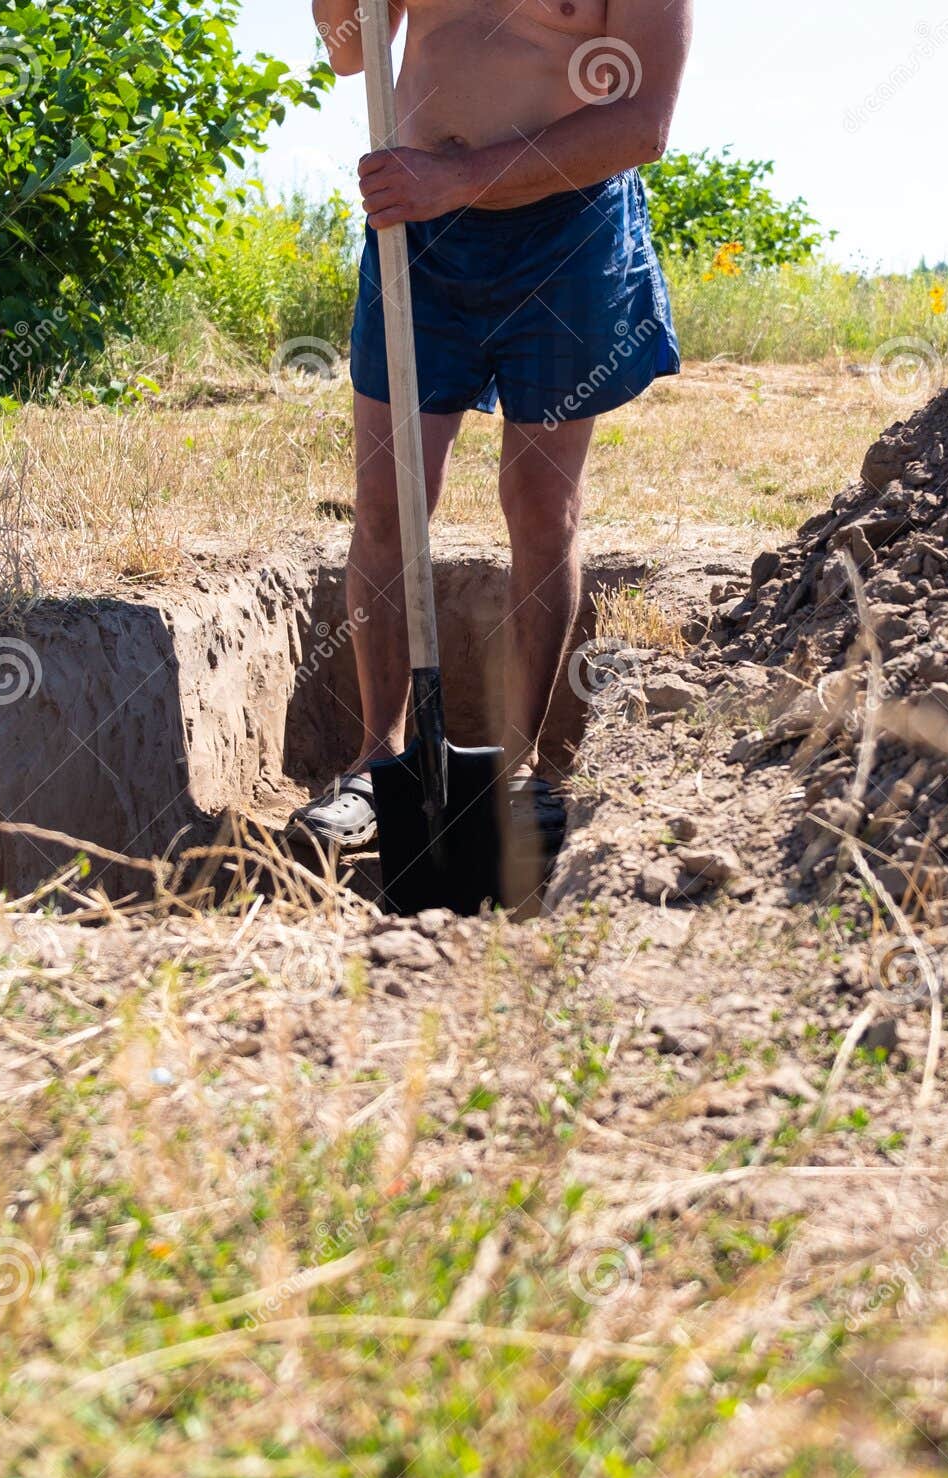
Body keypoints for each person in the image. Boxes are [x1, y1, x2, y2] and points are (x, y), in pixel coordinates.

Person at [295, 0, 693, 848]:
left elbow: (644, 124)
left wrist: (464, 177)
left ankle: (518, 771)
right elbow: (346, 53)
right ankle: (378, 762)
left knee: (541, 506)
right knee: (388, 500)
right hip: (419, 231)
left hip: (570, 236)